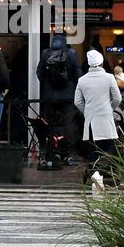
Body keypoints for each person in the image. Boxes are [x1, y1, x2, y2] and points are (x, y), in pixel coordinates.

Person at [75, 49, 121, 184]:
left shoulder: (82, 80)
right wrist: (109, 108)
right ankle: (104, 173)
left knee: (92, 150)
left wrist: (87, 112)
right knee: (110, 149)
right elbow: (117, 98)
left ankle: (94, 172)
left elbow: (77, 102)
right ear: (102, 63)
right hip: (106, 120)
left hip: (90, 122)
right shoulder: (109, 77)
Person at [36, 32, 81, 163]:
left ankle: (51, 152)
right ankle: (70, 153)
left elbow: (39, 73)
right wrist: (72, 86)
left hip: (50, 96)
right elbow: (77, 72)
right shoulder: (71, 53)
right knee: (69, 123)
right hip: (68, 96)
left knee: (50, 124)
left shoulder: (45, 53)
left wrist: (47, 85)